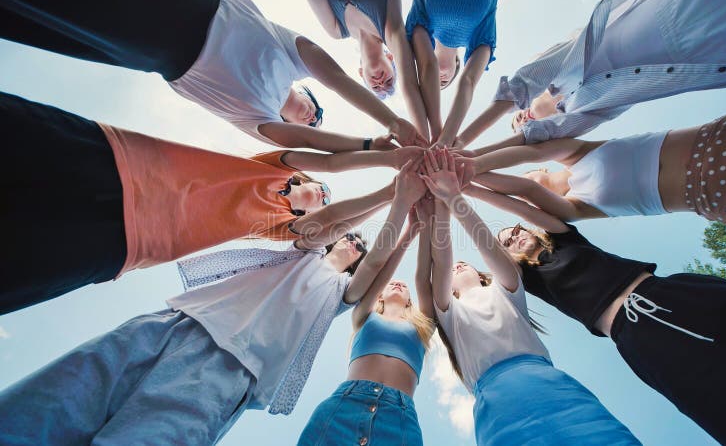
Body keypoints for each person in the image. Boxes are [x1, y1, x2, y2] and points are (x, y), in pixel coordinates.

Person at [0, 161, 428, 445]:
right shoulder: (302, 247)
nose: (354, 241)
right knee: (40, 408)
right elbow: (325, 224)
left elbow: (377, 265)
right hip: (170, 325)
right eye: (350, 235)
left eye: (359, 244)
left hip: (230, 370)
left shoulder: (340, 294)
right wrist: (393, 191)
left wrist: (404, 207)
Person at [0, 91, 426, 314]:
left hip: (127, 242)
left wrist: (395, 194)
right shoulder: (273, 167)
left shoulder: (279, 227)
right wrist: (378, 151)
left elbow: (332, 221)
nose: (323, 196)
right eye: (322, 187)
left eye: (324, 201)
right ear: (306, 178)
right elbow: (326, 157)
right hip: (120, 162)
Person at [463, 176, 726, 446]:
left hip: (672, 291)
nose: (517, 237)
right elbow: (489, 248)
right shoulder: (528, 279)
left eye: (518, 231)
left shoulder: (566, 240)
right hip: (637, 333)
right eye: (508, 242)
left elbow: (528, 197)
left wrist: (471, 184)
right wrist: (457, 199)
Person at [417, 149, 640, 445]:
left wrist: (454, 198)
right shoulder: (449, 311)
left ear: (483, 274)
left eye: (466, 263)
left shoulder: (505, 290)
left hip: (551, 385)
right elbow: (442, 262)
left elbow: (493, 254)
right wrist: (441, 204)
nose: (459, 265)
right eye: (456, 269)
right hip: (497, 402)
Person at [0, 0, 426, 149]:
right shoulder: (291, 55)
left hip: (160, 48)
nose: (311, 118)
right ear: (306, 91)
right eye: (316, 112)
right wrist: (392, 120)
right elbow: (332, 74)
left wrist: (371, 145)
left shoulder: (255, 116)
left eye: (311, 124)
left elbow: (308, 143)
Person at [458, 85, 726, 239]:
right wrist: (461, 185)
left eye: (533, 171)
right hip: (723, 198)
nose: (529, 176)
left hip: (721, 142)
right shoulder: (575, 208)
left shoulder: (576, 154)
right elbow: (522, 188)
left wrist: (462, 163)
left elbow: (531, 155)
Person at [456, 0, 726, 147]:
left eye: (520, 117)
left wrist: (457, 143)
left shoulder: (568, 61)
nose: (525, 118)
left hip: (682, 12)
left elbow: (521, 86)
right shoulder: (590, 109)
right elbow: (546, 136)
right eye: (524, 123)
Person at [299, 179, 434, 445]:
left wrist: (425, 226)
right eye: (390, 285)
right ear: (379, 294)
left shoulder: (423, 328)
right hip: (344, 406)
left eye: (404, 287)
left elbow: (422, 276)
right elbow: (379, 270)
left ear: (410, 301)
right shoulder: (363, 316)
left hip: (400, 416)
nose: (399, 284)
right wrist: (409, 232)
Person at [306, 0, 433, 141]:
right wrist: (425, 144)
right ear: (391, 58)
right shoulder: (390, 28)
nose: (381, 83)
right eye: (389, 81)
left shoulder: (336, 28)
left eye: (376, 87)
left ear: (361, 73)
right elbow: (409, 84)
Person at [405, 0, 498, 146]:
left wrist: (436, 132)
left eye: (435, 82)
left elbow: (428, 66)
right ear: (457, 66)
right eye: (443, 81)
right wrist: (445, 139)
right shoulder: (481, 34)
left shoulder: (420, 20)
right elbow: (468, 82)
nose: (437, 78)